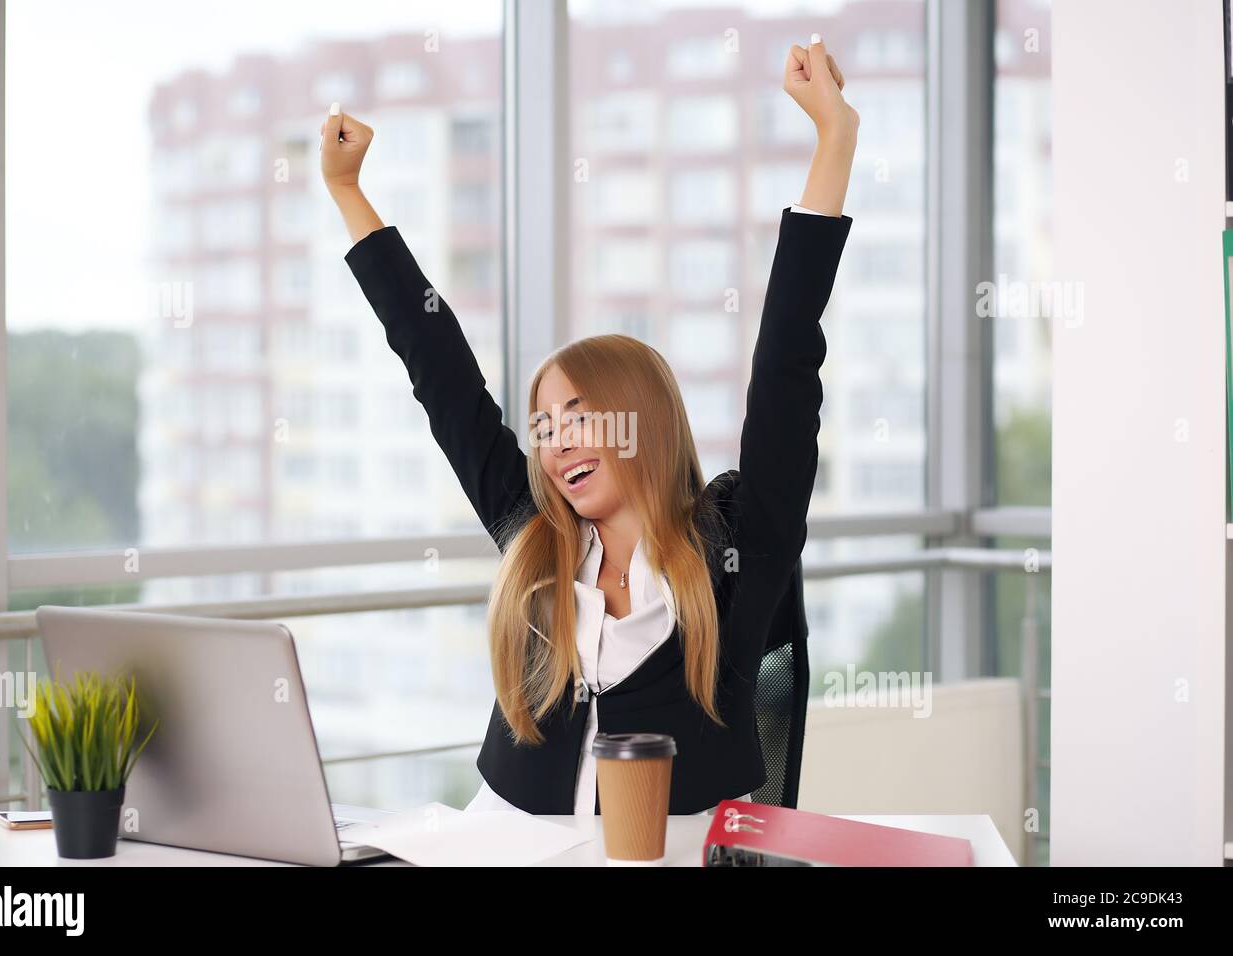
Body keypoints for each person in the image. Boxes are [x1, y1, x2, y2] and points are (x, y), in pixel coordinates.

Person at [320, 35, 857, 816]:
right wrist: (348, 193)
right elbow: (440, 373)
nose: (554, 440)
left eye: (578, 416)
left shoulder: (735, 549)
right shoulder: (538, 536)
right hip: (503, 839)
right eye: (543, 425)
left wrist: (833, 141)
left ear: (640, 420)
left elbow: (784, 368)